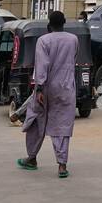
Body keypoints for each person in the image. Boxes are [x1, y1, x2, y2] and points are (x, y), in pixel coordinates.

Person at [16, 10, 77, 178]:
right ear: (64, 23)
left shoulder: (43, 40)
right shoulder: (73, 39)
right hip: (66, 88)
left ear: (49, 25)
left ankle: (32, 158)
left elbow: (41, 65)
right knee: (62, 125)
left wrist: (40, 88)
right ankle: (62, 166)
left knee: (36, 121)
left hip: (46, 87)